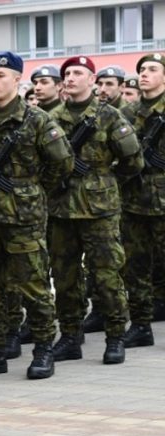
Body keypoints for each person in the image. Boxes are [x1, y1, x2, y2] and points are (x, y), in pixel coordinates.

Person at [0, 52, 73, 380]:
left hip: (24, 216)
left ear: (17, 79)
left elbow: (62, 164)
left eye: (1, 75)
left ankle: (43, 348)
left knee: (34, 284)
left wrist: (31, 187)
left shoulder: (37, 119)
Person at [48, 56, 143, 364]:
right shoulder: (51, 118)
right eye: (68, 73)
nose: (72, 78)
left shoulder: (109, 116)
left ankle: (115, 335)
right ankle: (71, 336)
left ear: (92, 80)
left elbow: (133, 160)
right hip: (61, 208)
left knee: (107, 274)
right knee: (64, 276)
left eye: (79, 73)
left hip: (100, 209)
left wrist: (105, 180)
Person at [119, 52, 165, 348]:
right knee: (136, 266)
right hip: (134, 200)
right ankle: (140, 325)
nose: (144, 74)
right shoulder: (127, 112)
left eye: (151, 69)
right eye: (141, 70)